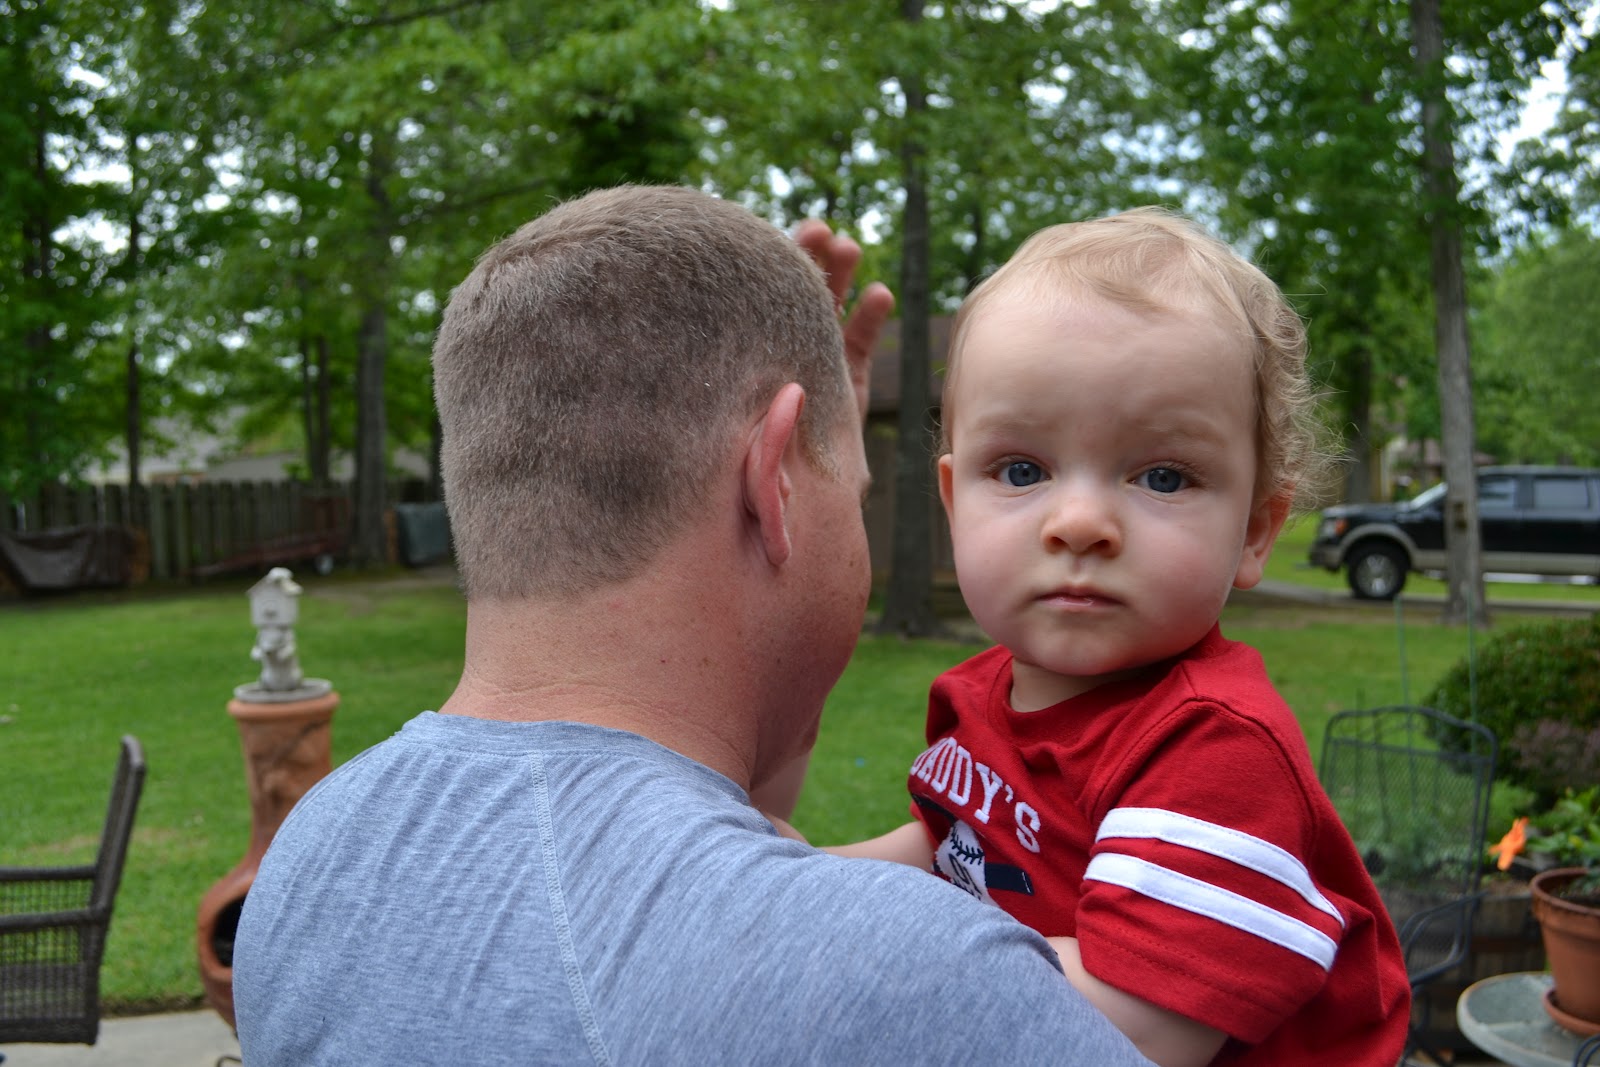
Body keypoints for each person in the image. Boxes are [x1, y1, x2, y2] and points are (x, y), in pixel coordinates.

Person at [230, 185, 1155, 1067]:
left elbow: (704, 847)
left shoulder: (312, 858)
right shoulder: (907, 980)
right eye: (857, 494)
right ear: (775, 479)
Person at [826, 208, 1411, 1067]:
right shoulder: (979, 691)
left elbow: (1136, 1025)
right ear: (955, 500)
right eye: (1021, 470)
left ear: (1255, 530)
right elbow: (957, 843)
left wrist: (864, 954)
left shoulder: (1214, 748)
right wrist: (807, 878)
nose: (1081, 522)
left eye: (1163, 475)